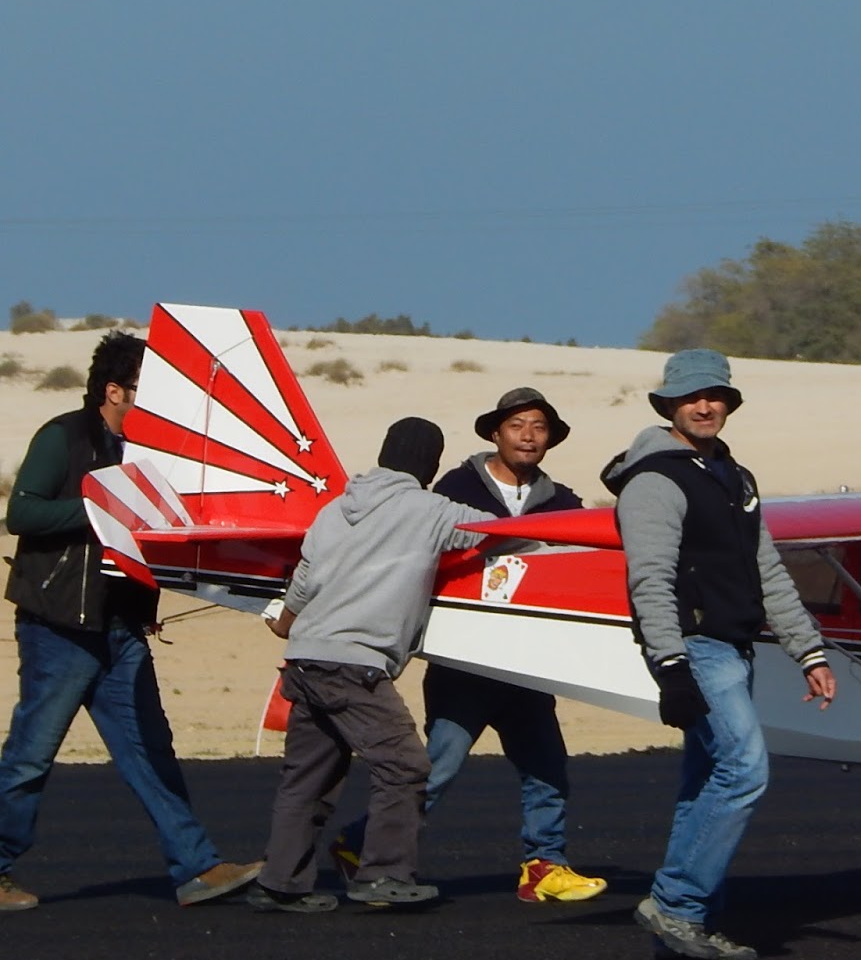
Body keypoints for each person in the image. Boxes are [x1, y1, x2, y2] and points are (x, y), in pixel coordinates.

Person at [0, 331, 262, 910]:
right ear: (115, 391)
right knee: (31, 755)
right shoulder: (64, 437)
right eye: (150, 389)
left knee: (150, 751)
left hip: (120, 628)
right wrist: (100, 507)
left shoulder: (153, 455)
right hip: (59, 626)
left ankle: (197, 867)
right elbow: (22, 512)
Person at [601, 349, 836, 960]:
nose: (704, 406)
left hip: (735, 646)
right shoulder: (654, 481)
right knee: (744, 768)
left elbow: (766, 570)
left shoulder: (735, 476)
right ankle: (676, 904)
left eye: (714, 396)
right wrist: (671, 666)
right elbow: (650, 581)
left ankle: (686, 925)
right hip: (694, 649)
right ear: (669, 406)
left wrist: (808, 649)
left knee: (707, 779)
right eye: (690, 398)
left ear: (729, 403)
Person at [331, 388, 606, 904]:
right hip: (466, 664)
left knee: (547, 768)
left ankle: (545, 866)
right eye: (517, 425)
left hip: (530, 662)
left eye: (539, 427)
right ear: (496, 434)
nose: (528, 436)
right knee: (437, 769)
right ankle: (360, 844)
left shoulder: (564, 503)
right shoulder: (453, 490)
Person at [252, 418, 492, 912]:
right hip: (355, 667)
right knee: (405, 766)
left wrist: (286, 623)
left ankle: (280, 882)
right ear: (430, 464)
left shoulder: (334, 508)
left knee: (307, 778)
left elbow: (303, 581)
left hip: (304, 659)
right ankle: (382, 875)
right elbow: (494, 533)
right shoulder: (431, 511)